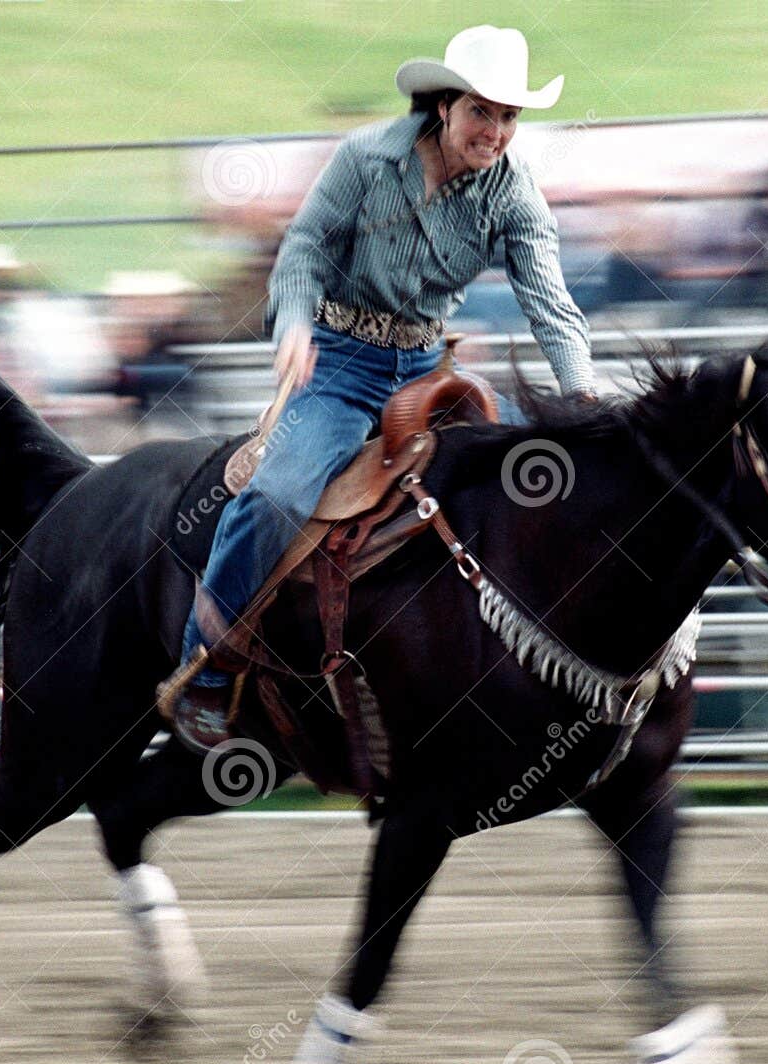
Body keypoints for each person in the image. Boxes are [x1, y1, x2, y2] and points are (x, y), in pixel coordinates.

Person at [171, 24, 596, 749]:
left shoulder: (516, 192)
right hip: (339, 363)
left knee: (521, 485)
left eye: (509, 117)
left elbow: (550, 303)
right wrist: (294, 327)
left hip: (429, 372)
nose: (495, 132)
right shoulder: (365, 159)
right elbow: (304, 248)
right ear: (443, 105)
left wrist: (582, 397)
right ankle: (203, 667)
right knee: (278, 493)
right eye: (481, 112)